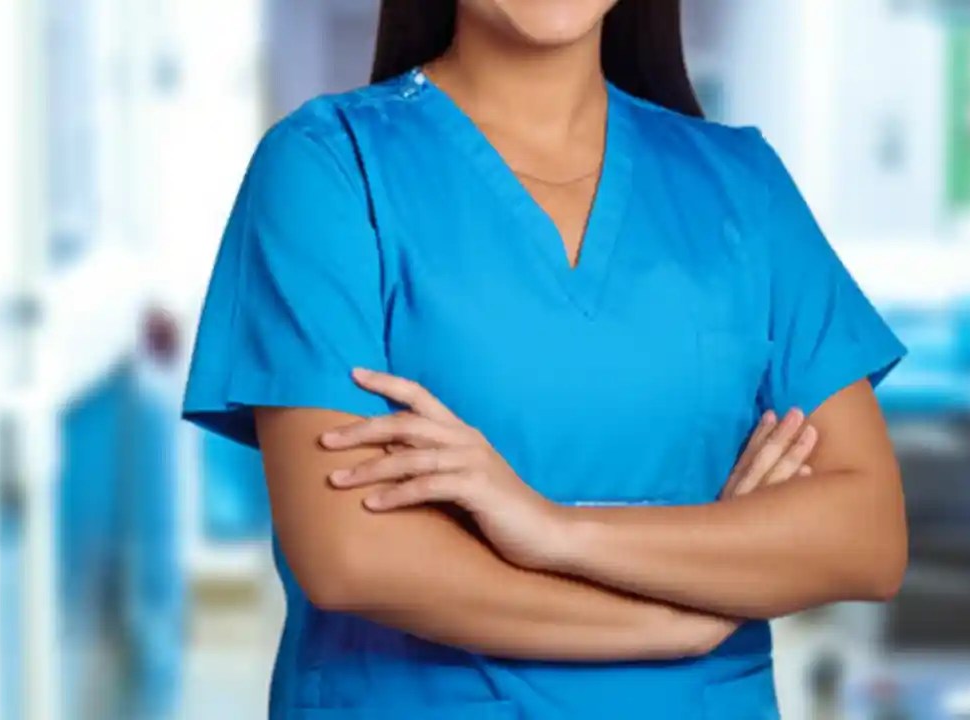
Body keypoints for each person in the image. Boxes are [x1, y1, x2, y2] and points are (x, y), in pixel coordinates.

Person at [182, 1, 909, 717]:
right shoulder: (332, 167)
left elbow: (865, 535)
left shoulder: (741, 187)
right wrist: (672, 622)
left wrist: (554, 531)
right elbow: (350, 553)